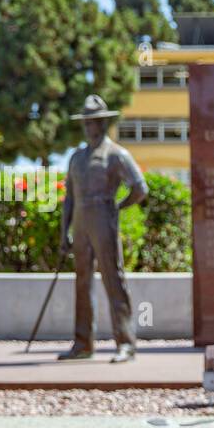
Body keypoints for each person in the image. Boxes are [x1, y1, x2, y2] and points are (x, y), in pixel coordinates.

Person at [58, 94, 148, 364]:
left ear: (102, 123)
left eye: (93, 121)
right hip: (81, 221)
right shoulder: (77, 157)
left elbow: (140, 188)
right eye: (86, 121)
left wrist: (118, 207)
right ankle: (83, 343)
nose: (88, 126)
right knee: (82, 283)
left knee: (113, 279)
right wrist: (65, 232)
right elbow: (69, 198)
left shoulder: (116, 154)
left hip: (104, 219)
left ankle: (126, 344)